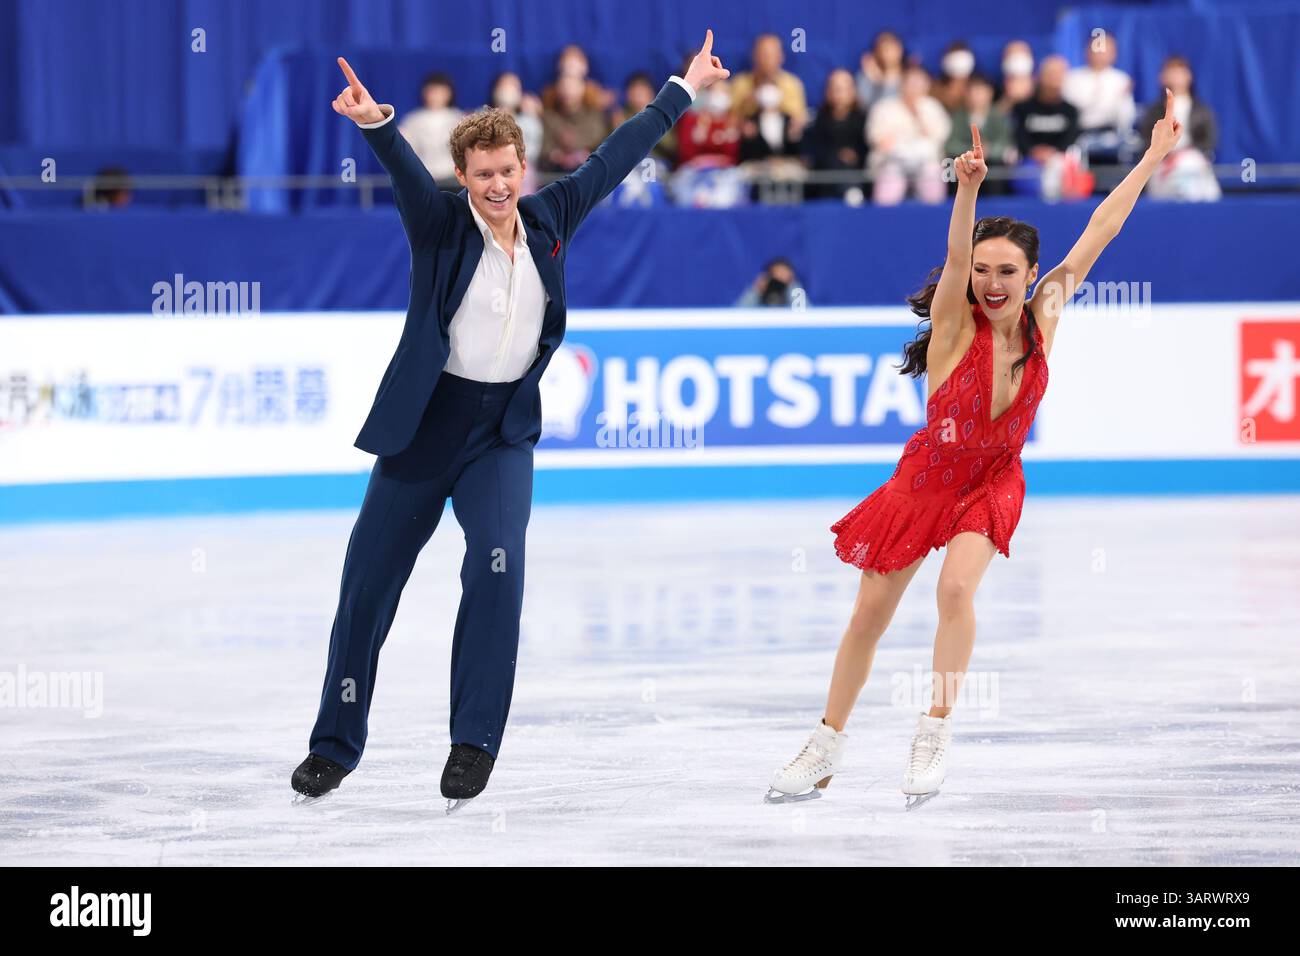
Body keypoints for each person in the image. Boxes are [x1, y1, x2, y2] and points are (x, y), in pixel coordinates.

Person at [292, 36, 730, 810]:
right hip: (425, 427)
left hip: (501, 433)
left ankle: (474, 743)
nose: (497, 184)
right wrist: (373, 126)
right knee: (366, 588)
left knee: (497, 565)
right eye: (482, 174)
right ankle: (334, 746)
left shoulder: (551, 215)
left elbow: (617, 154)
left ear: (522, 169)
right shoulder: (438, 226)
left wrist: (681, 88)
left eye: (507, 170)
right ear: (462, 177)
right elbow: (400, 173)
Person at [766, 92, 1186, 804]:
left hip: (994, 477)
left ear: (1031, 279)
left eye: (1007, 273)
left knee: (956, 588)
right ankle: (826, 743)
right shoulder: (954, 325)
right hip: (926, 477)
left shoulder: (1045, 316)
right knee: (868, 616)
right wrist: (966, 189)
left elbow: (1101, 228)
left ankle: (934, 730)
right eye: (982, 272)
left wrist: (1152, 156)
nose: (991, 283)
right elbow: (957, 250)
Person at [398, 73, 463, 186]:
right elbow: (407, 150)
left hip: (452, 175)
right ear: (425, 93)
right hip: (424, 175)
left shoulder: (458, 117)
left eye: (441, 92)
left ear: (449, 93)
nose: (436, 96)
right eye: (432, 91)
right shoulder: (413, 120)